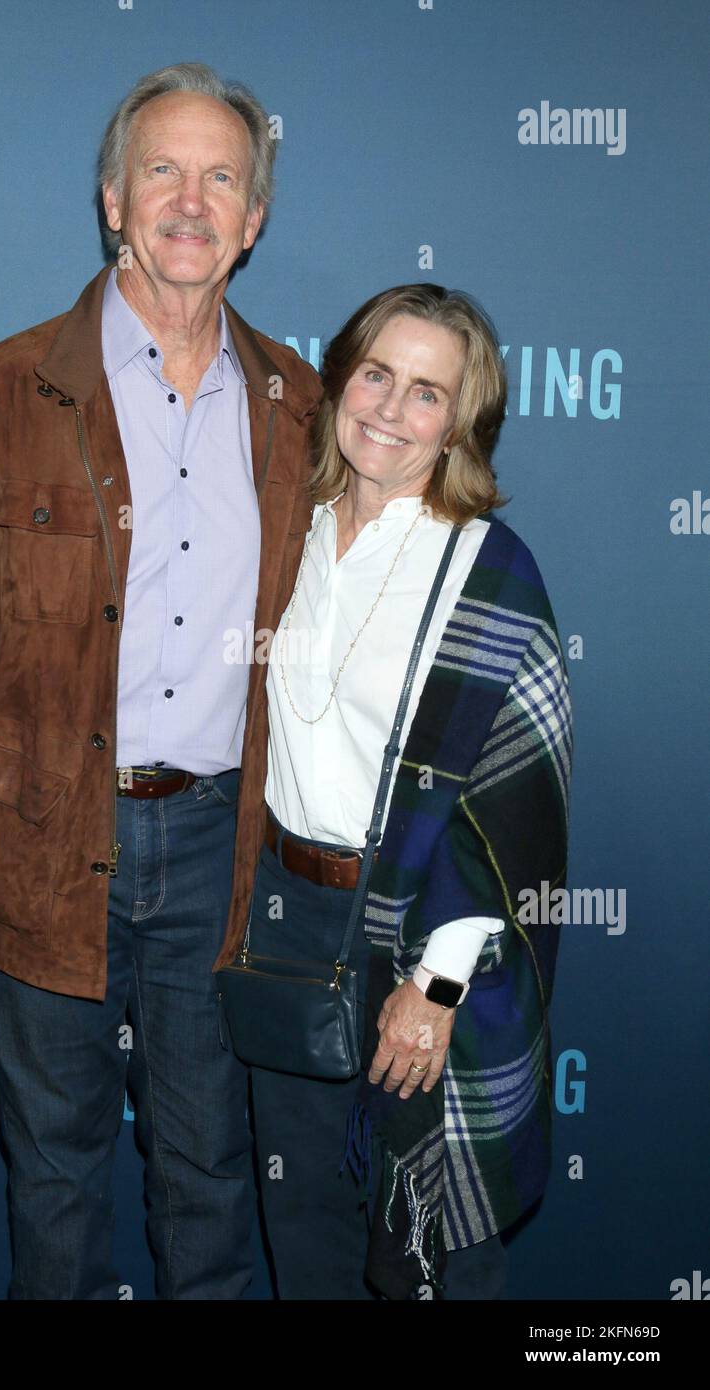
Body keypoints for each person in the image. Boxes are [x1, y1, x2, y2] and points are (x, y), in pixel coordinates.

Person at [0, 62, 322, 1300]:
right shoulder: (5, 390)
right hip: (40, 841)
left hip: (221, 851)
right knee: (56, 1186)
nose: (190, 198)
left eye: (221, 175)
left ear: (255, 217)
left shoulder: (299, 405)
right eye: (160, 171)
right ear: (112, 202)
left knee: (211, 1181)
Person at [214, 283, 573, 1300]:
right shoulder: (285, 532)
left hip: (421, 935)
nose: (388, 407)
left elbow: (519, 816)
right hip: (285, 920)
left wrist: (440, 983)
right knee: (304, 1224)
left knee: (439, 1246)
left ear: (460, 422)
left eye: (425, 392)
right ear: (337, 381)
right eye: (375, 373)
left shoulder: (486, 570)